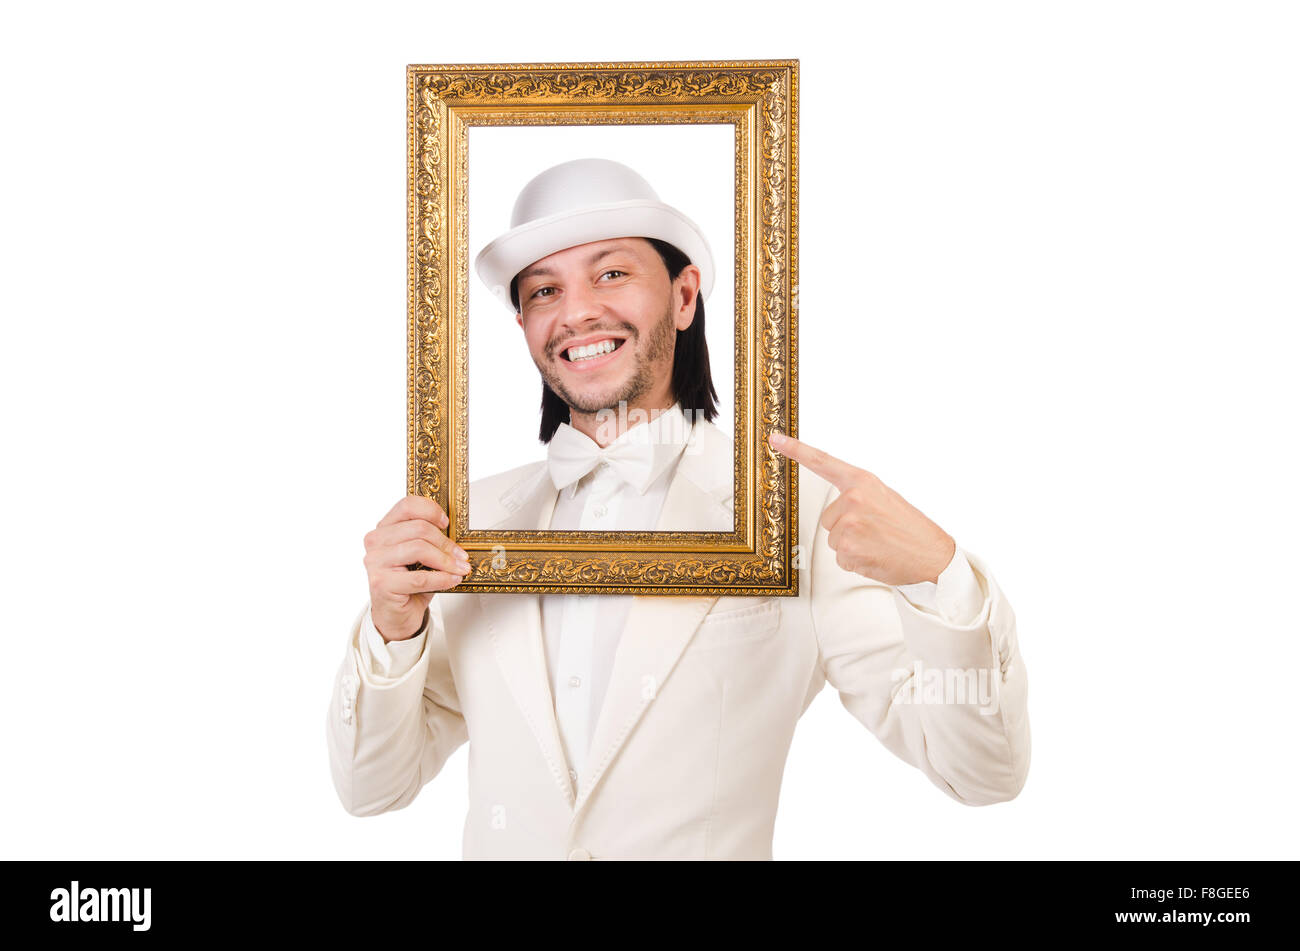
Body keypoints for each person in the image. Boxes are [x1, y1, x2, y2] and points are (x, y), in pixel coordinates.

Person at [326, 157, 1030, 860]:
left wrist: (942, 578)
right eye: (545, 290)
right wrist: (392, 629)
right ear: (524, 325)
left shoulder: (792, 511)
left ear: (685, 296)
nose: (576, 312)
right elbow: (371, 787)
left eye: (611, 273)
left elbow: (981, 771)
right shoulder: (466, 521)